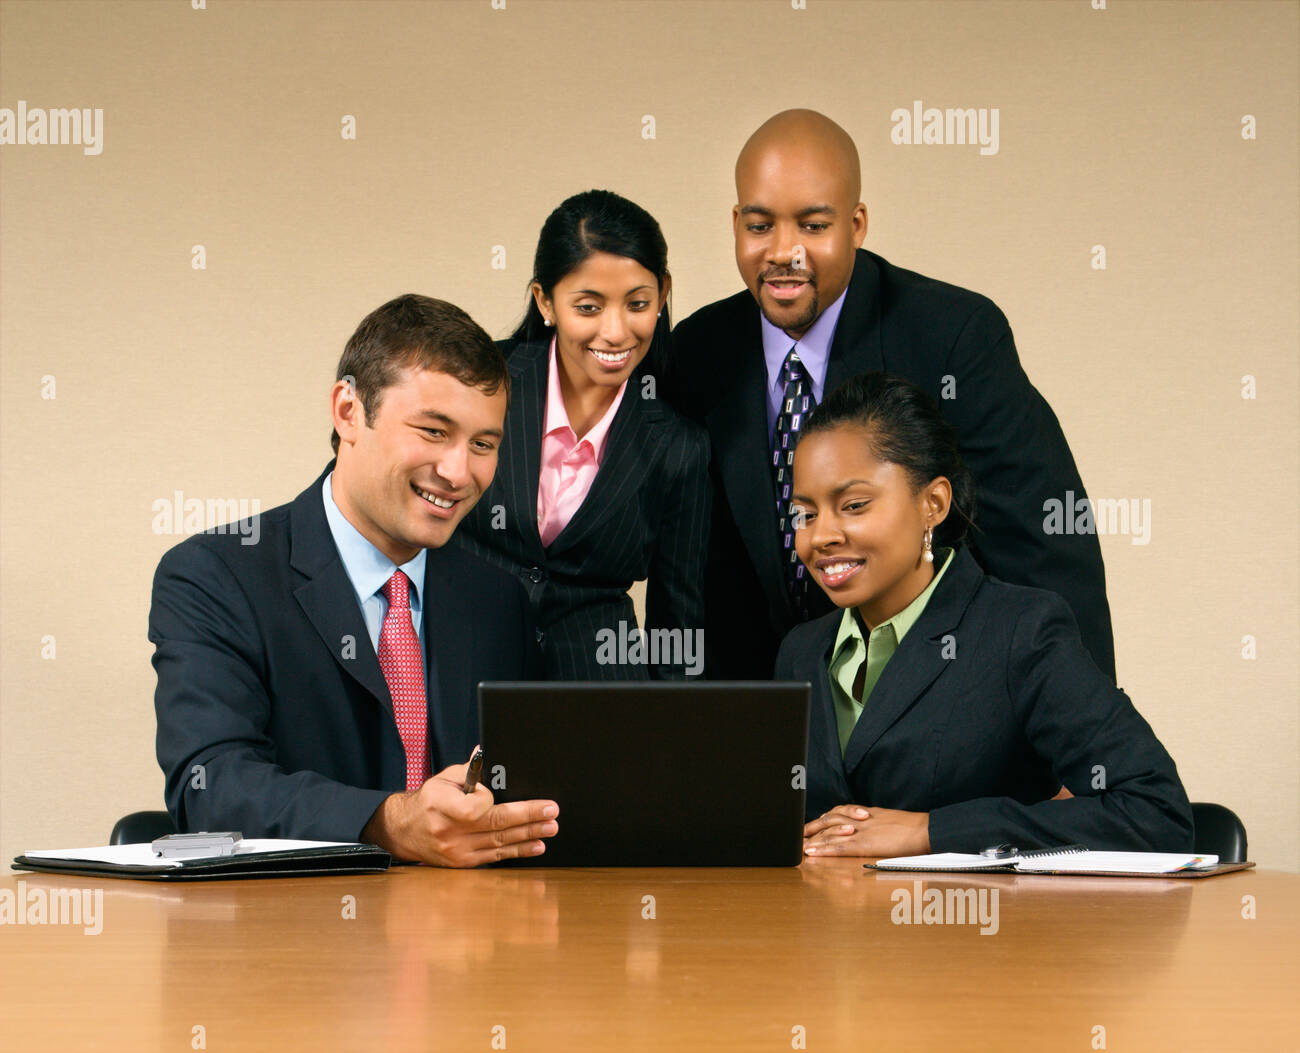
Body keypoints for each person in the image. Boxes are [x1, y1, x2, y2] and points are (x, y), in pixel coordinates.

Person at [668, 109, 1115, 682]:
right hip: (771, 714)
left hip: (941, 701)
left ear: (856, 225)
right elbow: (691, 570)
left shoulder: (953, 335)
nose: (784, 252)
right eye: (759, 226)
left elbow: (1044, 544)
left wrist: (1080, 735)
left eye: (812, 225)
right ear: (735, 223)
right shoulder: (699, 351)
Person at [148, 294, 561, 867]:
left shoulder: (499, 600)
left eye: (483, 444)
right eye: (434, 431)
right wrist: (390, 821)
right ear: (348, 411)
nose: (459, 472)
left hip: (468, 940)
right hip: (295, 939)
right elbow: (211, 786)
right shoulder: (215, 576)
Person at [775, 372, 1192, 858]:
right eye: (804, 514)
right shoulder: (801, 651)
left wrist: (930, 832)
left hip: (979, 927)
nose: (820, 535)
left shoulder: (1021, 631)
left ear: (933, 503)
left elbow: (1155, 812)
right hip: (819, 931)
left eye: (854, 505)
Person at [457, 189, 710, 679]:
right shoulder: (479, 380)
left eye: (638, 303)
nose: (616, 332)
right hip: (458, 662)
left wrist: (672, 742)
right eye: (589, 307)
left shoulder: (680, 448)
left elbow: (676, 623)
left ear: (662, 295)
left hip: (599, 692)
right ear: (545, 301)